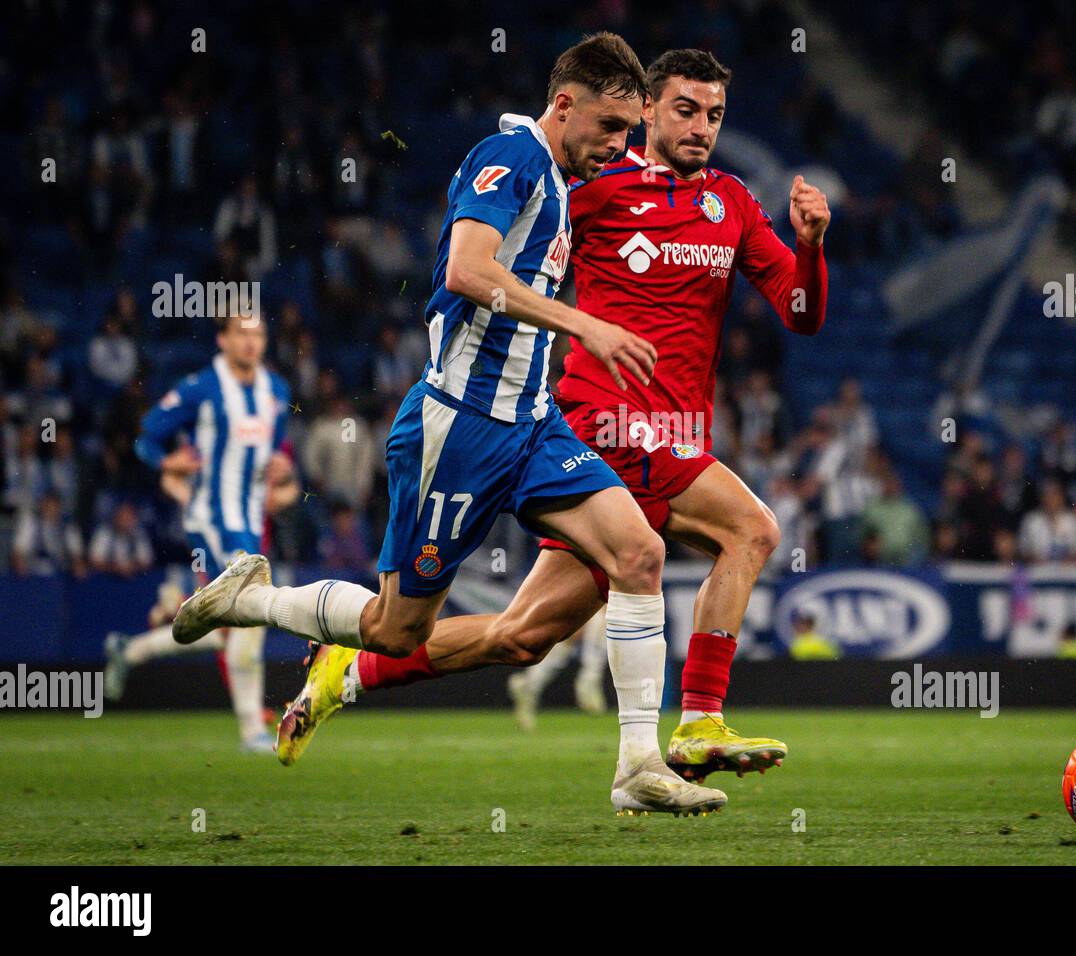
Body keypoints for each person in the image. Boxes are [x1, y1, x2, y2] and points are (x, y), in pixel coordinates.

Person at [172, 34, 725, 817]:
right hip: (458, 430)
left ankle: (637, 764)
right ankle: (250, 599)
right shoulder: (513, 158)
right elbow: (467, 270)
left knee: (639, 553)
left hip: (533, 426)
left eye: (629, 132)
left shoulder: (566, 176)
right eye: (608, 127)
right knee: (395, 630)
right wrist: (584, 326)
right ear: (563, 105)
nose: (619, 146)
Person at [286, 46, 831, 784]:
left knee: (522, 637)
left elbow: (800, 313)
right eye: (683, 110)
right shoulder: (592, 183)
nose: (700, 127)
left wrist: (810, 247)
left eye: (714, 115)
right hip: (595, 419)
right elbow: (495, 236)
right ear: (646, 112)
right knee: (753, 527)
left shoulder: (730, 203)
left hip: (671, 435)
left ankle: (345, 675)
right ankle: (698, 720)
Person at [104, 313, 298, 750]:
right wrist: (164, 462)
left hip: (250, 524)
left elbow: (277, 458)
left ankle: (130, 650)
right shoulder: (200, 388)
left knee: (225, 627)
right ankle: (252, 730)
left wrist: (280, 469)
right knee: (253, 611)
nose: (251, 343)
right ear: (222, 340)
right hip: (210, 521)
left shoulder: (276, 392)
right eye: (241, 335)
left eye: (259, 334)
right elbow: (147, 437)